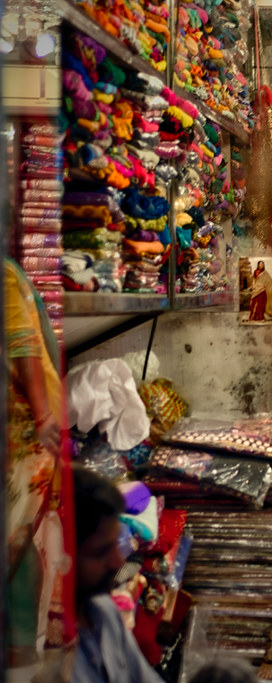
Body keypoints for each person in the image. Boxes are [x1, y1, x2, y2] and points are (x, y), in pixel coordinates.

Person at [5, 256, 75, 666]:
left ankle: (20, 651)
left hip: (23, 436)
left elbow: (24, 348)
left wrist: (43, 417)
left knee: (16, 541)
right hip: (26, 433)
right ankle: (21, 649)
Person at [72, 464, 164, 683]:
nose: (118, 561)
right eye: (100, 552)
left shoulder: (102, 612)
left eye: (115, 545)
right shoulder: (42, 660)